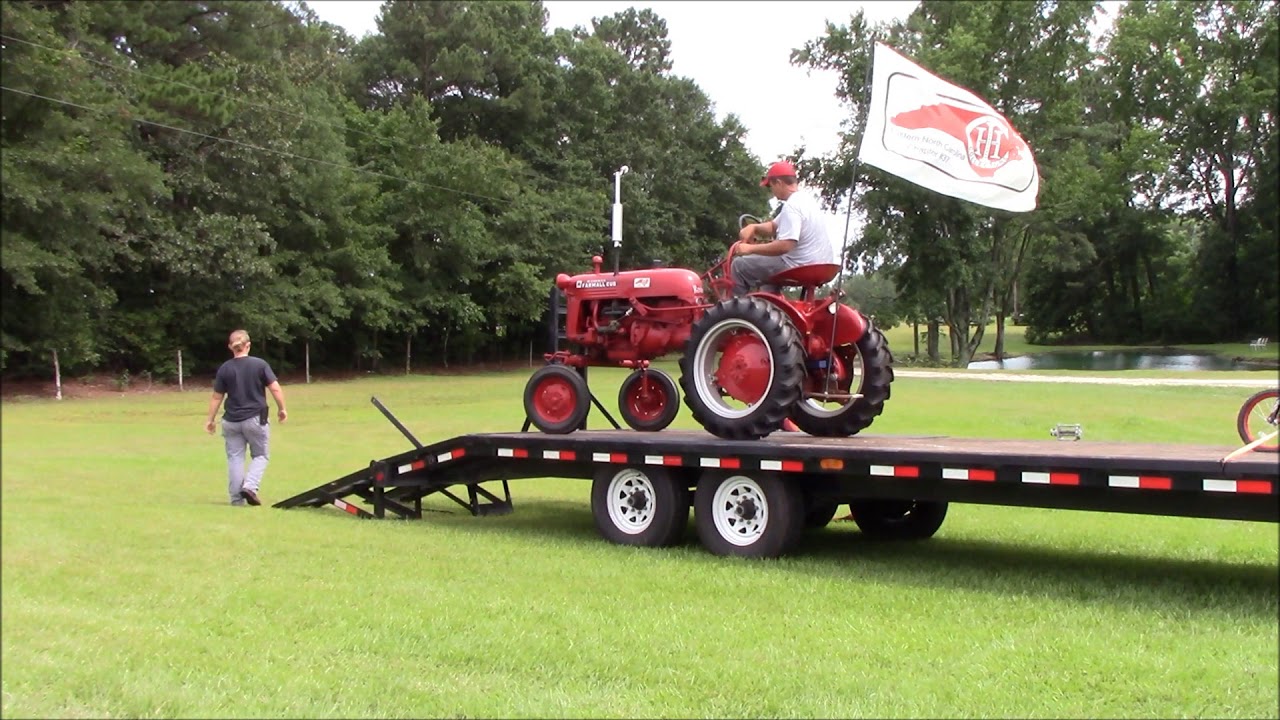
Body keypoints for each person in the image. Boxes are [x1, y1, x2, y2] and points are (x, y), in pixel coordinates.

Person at [204, 329, 287, 506]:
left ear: (230, 347)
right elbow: (275, 388)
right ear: (248, 345)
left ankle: (236, 500)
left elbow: (217, 397)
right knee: (261, 455)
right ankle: (250, 486)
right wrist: (282, 409)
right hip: (255, 419)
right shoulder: (260, 365)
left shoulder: (225, 368)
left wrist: (210, 420)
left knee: (235, 458)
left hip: (231, 421)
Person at [731, 160, 834, 297]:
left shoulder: (792, 207)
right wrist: (753, 227)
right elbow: (773, 226)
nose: (772, 192)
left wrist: (750, 249)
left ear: (778, 183)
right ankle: (768, 310)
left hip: (799, 265)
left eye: (771, 186)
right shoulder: (805, 200)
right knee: (766, 278)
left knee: (739, 266)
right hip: (821, 265)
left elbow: (785, 245)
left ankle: (734, 312)